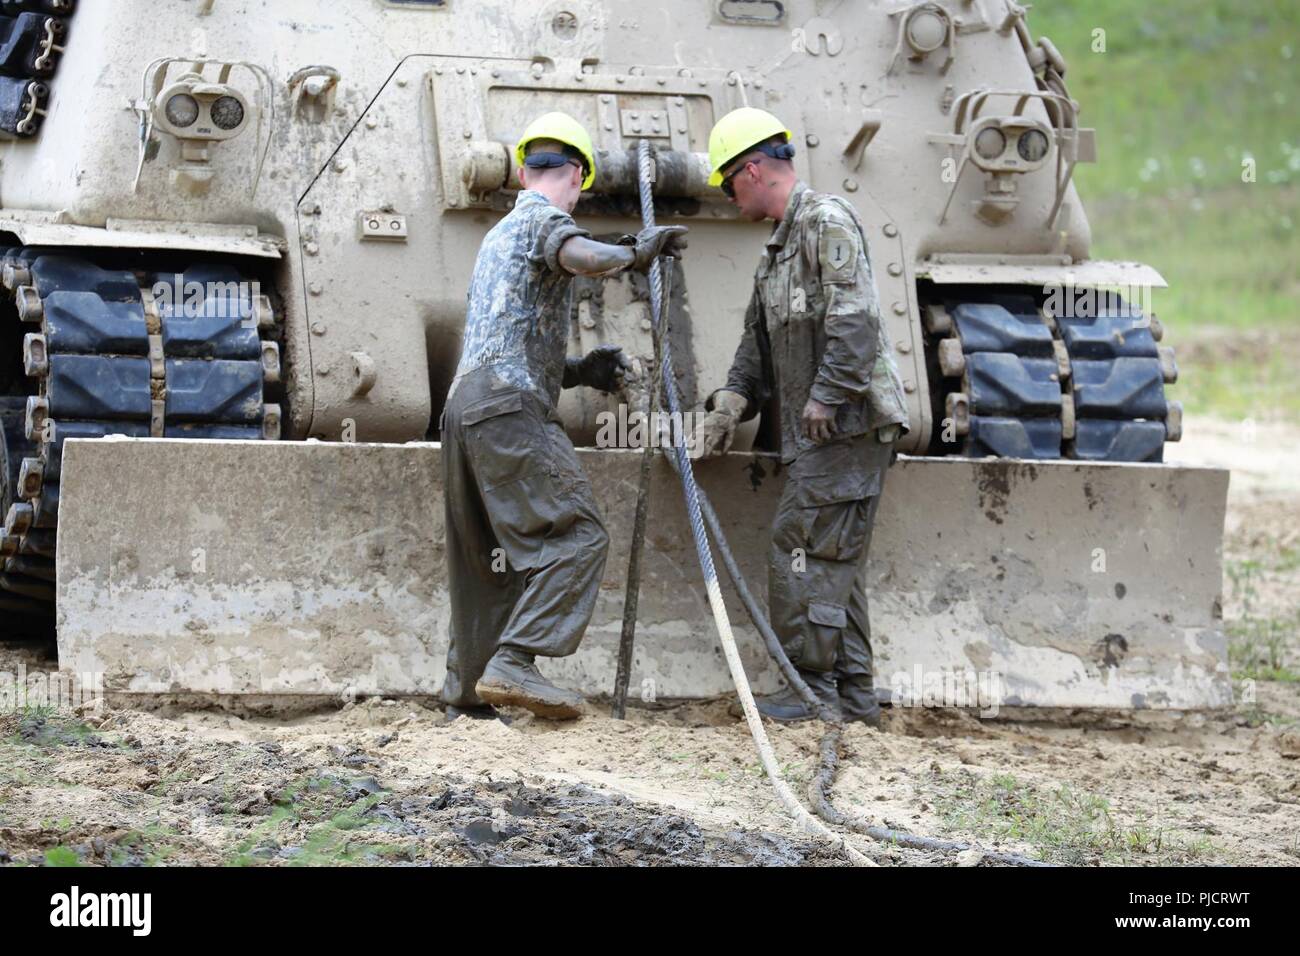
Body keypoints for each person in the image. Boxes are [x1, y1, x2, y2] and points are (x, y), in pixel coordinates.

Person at [441, 111, 686, 721]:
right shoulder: (546, 220)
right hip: (509, 407)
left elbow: (506, 337)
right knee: (576, 535)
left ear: (523, 170)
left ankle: (469, 699)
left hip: (463, 408)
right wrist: (634, 252)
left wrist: (581, 370)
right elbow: (576, 254)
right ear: (577, 176)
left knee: (486, 562)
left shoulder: (496, 237)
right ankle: (515, 662)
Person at [694, 107, 909, 726]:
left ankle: (806, 686)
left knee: (800, 545)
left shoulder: (826, 222)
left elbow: (856, 319)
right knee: (836, 558)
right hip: (822, 435)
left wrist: (826, 396)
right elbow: (753, 355)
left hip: (846, 428)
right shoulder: (775, 256)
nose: (728, 196)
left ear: (754, 170)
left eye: (729, 182)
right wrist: (727, 409)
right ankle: (854, 694)